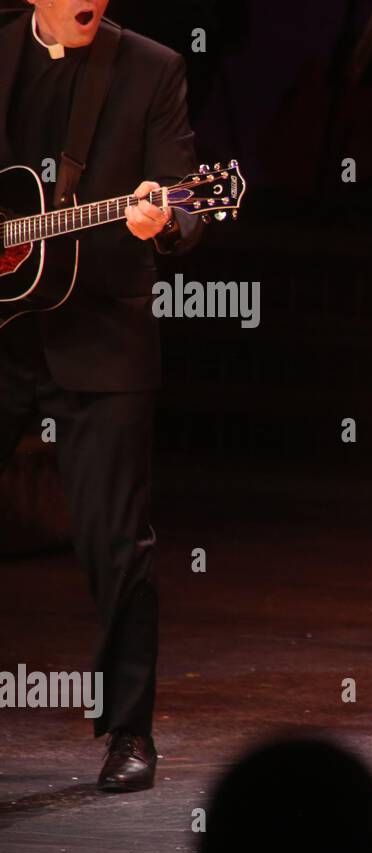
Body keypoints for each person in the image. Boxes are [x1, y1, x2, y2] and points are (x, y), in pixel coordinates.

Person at [0, 0, 204, 791]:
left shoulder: (151, 68)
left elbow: (187, 199)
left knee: (118, 542)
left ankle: (129, 732)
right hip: (5, 337)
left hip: (99, 336)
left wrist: (168, 222)